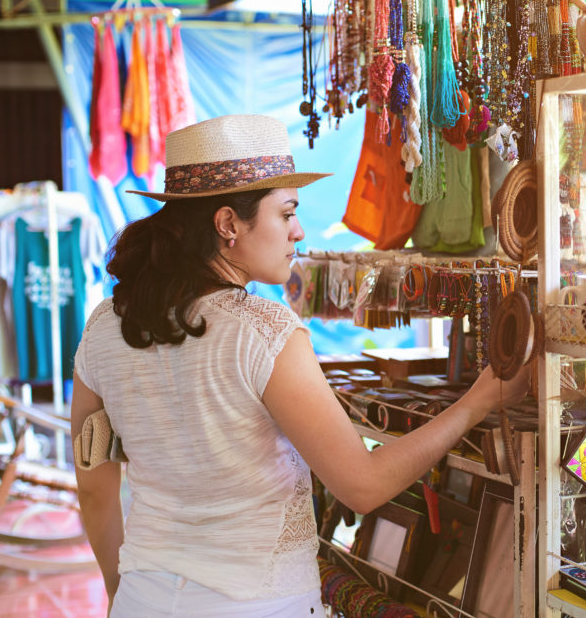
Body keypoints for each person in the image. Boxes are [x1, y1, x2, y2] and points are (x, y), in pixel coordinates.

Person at [72, 114, 530, 616]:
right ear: (227, 224)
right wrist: (476, 403)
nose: (298, 230)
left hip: (143, 598)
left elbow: (95, 489)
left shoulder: (102, 328)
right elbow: (363, 486)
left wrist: (123, 591)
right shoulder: (264, 333)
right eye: (286, 212)